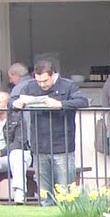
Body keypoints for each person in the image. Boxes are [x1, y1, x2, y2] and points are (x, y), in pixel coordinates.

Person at [11, 54, 89, 206]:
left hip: (62, 145)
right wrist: (16, 104)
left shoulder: (67, 86)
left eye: (45, 81)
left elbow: (83, 101)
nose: (42, 85)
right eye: (39, 81)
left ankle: (66, 215)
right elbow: (12, 100)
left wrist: (60, 104)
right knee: (44, 193)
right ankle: (47, 212)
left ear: (53, 75)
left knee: (66, 193)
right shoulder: (30, 86)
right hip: (39, 145)